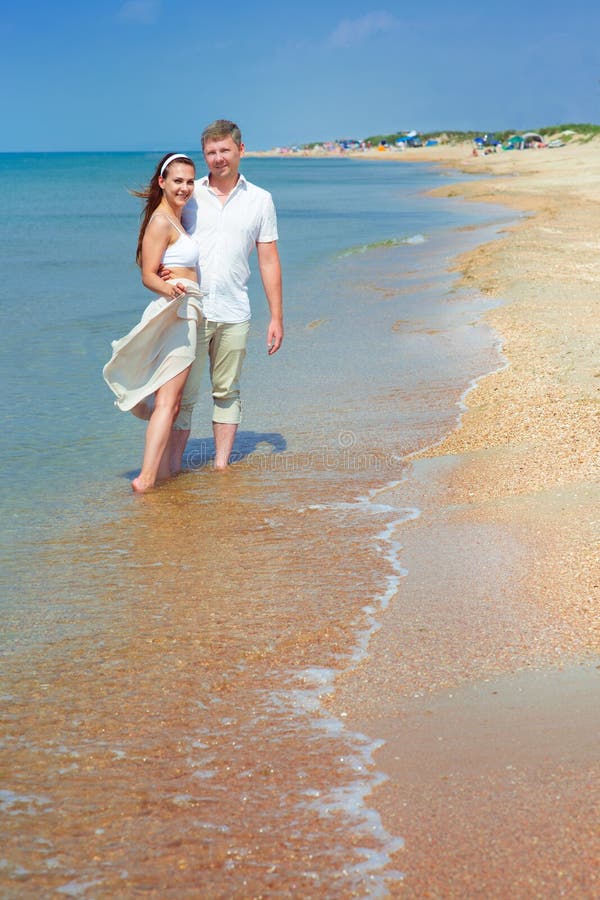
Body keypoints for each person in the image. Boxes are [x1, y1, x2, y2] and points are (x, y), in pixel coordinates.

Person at [161, 119, 283, 471]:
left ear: (240, 150)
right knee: (183, 396)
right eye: (211, 152)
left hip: (235, 311)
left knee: (227, 391)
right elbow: (158, 230)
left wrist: (276, 317)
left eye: (225, 150)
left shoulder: (260, 200)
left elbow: (269, 259)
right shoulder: (189, 193)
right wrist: (157, 272)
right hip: (189, 310)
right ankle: (172, 469)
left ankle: (220, 467)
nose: (218, 158)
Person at [103, 153, 204, 492]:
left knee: (172, 403)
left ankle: (159, 475)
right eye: (178, 181)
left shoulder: (177, 219)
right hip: (176, 311)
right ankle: (146, 480)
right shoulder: (161, 221)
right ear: (162, 182)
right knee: (168, 402)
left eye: (190, 181)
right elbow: (148, 275)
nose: (185, 188)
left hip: (184, 311)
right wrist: (171, 287)